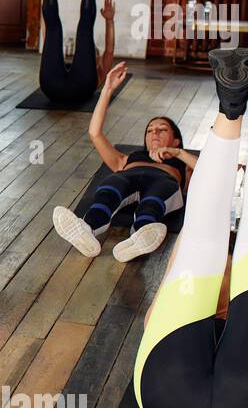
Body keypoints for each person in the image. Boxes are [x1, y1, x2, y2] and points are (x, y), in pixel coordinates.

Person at [135, 48, 248, 408]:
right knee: (202, 241)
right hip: (174, 399)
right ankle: (240, 110)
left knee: (233, 250)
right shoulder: (219, 302)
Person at [51, 62, 196, 262]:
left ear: (176, 139)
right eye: (150, 130)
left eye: (162, 129)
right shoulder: (126, 159)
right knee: (112, 185)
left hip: (164, 181)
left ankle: (139, 237)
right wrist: (107, 90)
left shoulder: (184, 164)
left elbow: (209, 172)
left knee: (154, 200)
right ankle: (87, 230)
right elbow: (94, 133)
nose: (154, 132)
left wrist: (177, 153)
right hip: (127, 176)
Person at [37, 0, 115, 105]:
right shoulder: (98, 73)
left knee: (83, 28)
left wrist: (109, 20)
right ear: (97, 59)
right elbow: (48, 32)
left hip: (54, 86)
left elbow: (109, 50)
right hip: (59, 87)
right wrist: (109, 20)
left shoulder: (97, 71)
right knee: (56, 30)